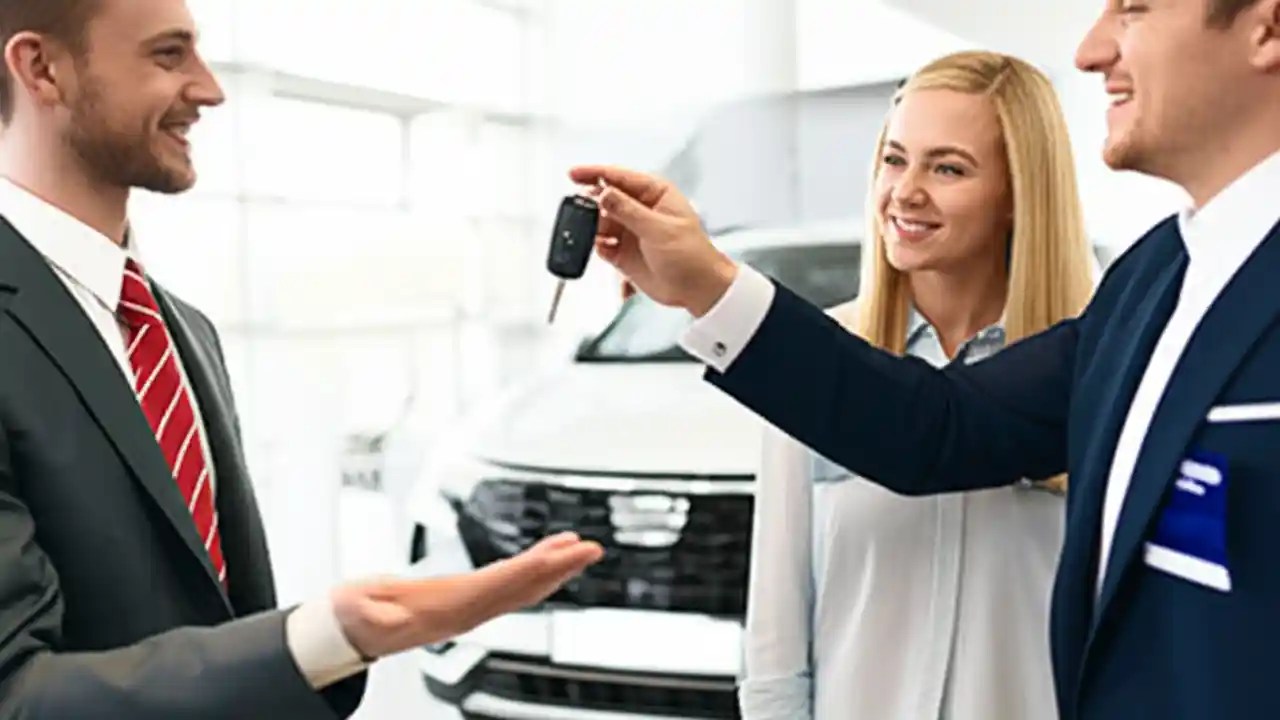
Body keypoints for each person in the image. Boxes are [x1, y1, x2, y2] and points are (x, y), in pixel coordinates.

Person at [568, 0, 1280, 717]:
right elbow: (934, 428)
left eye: (1135, 9)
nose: (1091, 50)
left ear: (1267, 26)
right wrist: (708, 287)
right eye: (895, 159)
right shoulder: (1155, 282)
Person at [0, 0, 602, 717]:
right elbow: (15, 693)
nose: (210, 89)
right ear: (42, 69)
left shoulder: (184, 331)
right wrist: (328, 637)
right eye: (168, 55)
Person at [739, 50, 1093, 720]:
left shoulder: (1094, 367)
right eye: (895, 159)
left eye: (948, 167)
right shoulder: (818, 360)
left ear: (1021, 193)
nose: (905, 191)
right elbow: (777, 640)